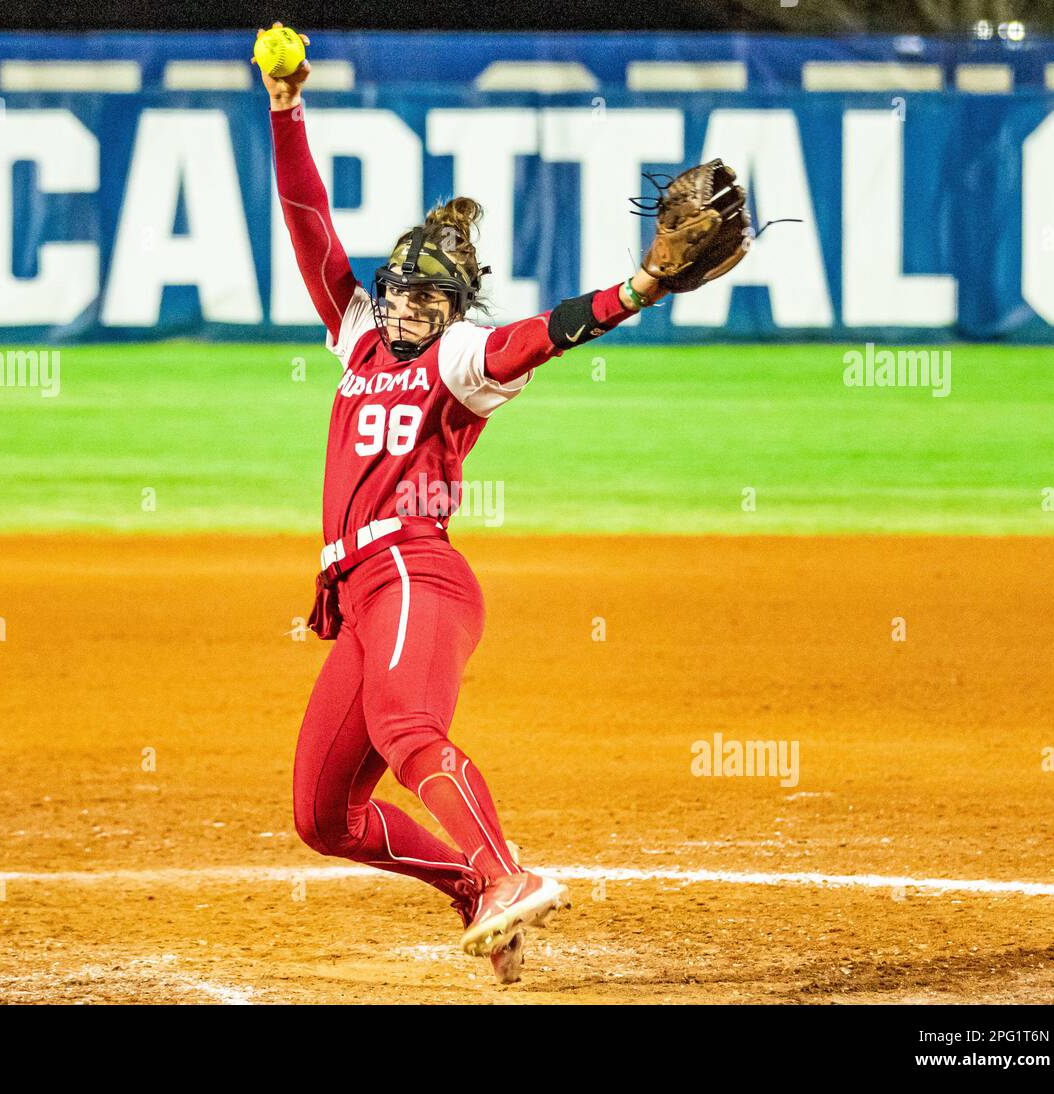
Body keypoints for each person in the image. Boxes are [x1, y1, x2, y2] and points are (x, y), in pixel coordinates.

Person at [257, 25, 749, 984]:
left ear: (452, 311)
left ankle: (504, 870)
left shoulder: (462, 362)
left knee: (409, 734)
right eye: (398, 288)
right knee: (325, 817)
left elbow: (545, 334)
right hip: (360, 595)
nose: (401, 305)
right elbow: (307, 219)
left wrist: (641, 285)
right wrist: (286, 107)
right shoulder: (357, 341)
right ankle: (469, 884)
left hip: (415, 572)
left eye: (423, 298)